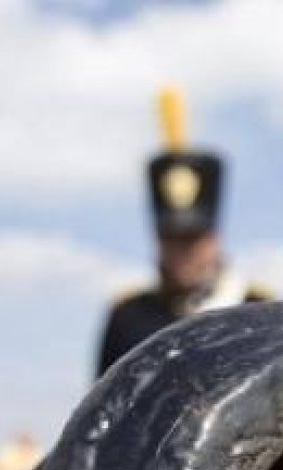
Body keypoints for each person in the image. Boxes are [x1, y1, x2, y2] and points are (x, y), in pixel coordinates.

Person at [96, 88, 271, 377]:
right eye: (171, 239)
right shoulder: (127, 319)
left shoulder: (258, 312)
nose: (182, 253)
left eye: (192, 240)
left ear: (214, 238)